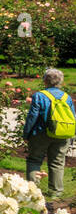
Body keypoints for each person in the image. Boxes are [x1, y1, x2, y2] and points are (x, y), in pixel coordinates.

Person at [22, 68, 76, 196]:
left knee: (34, 160)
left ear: (45, 81)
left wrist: (26, 134)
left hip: (41, 133)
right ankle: (55, 192)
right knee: (57, 162)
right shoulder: (66, 97)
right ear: (60, 82)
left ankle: (33, 193)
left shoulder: (39, 96)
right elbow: (72, 117)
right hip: (62, 134)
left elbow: (32, 117)